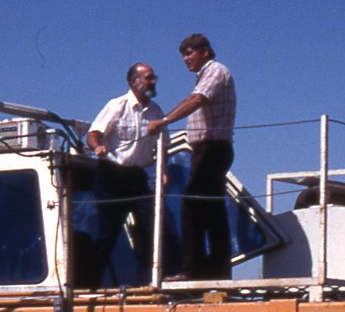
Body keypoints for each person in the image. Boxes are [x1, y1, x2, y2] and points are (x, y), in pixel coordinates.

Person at [146, 33, 236, 279]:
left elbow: (198, 99)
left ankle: (192, 269)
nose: (186, 59)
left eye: (189, 53)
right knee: (211, 210)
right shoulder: (206, 75)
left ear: (204, 51)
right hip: (209, 149)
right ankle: (217, 270)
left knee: (192, 206)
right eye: (184, 54)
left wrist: (164, 120)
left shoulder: (215, 72)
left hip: (212, 148)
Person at [84, 63, 164, 283]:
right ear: (134, 81)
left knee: (150, 228)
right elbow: (93, 133)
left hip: (137, 177)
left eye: (154, 77)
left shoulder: (156, 111)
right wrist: (97, 147)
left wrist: (163, 170)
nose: (153, 82)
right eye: (148, 78)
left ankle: (147, 281)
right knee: (107, 233)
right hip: (111, 175)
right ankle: (89, 284)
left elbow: (162, 145)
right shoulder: (117, 105)